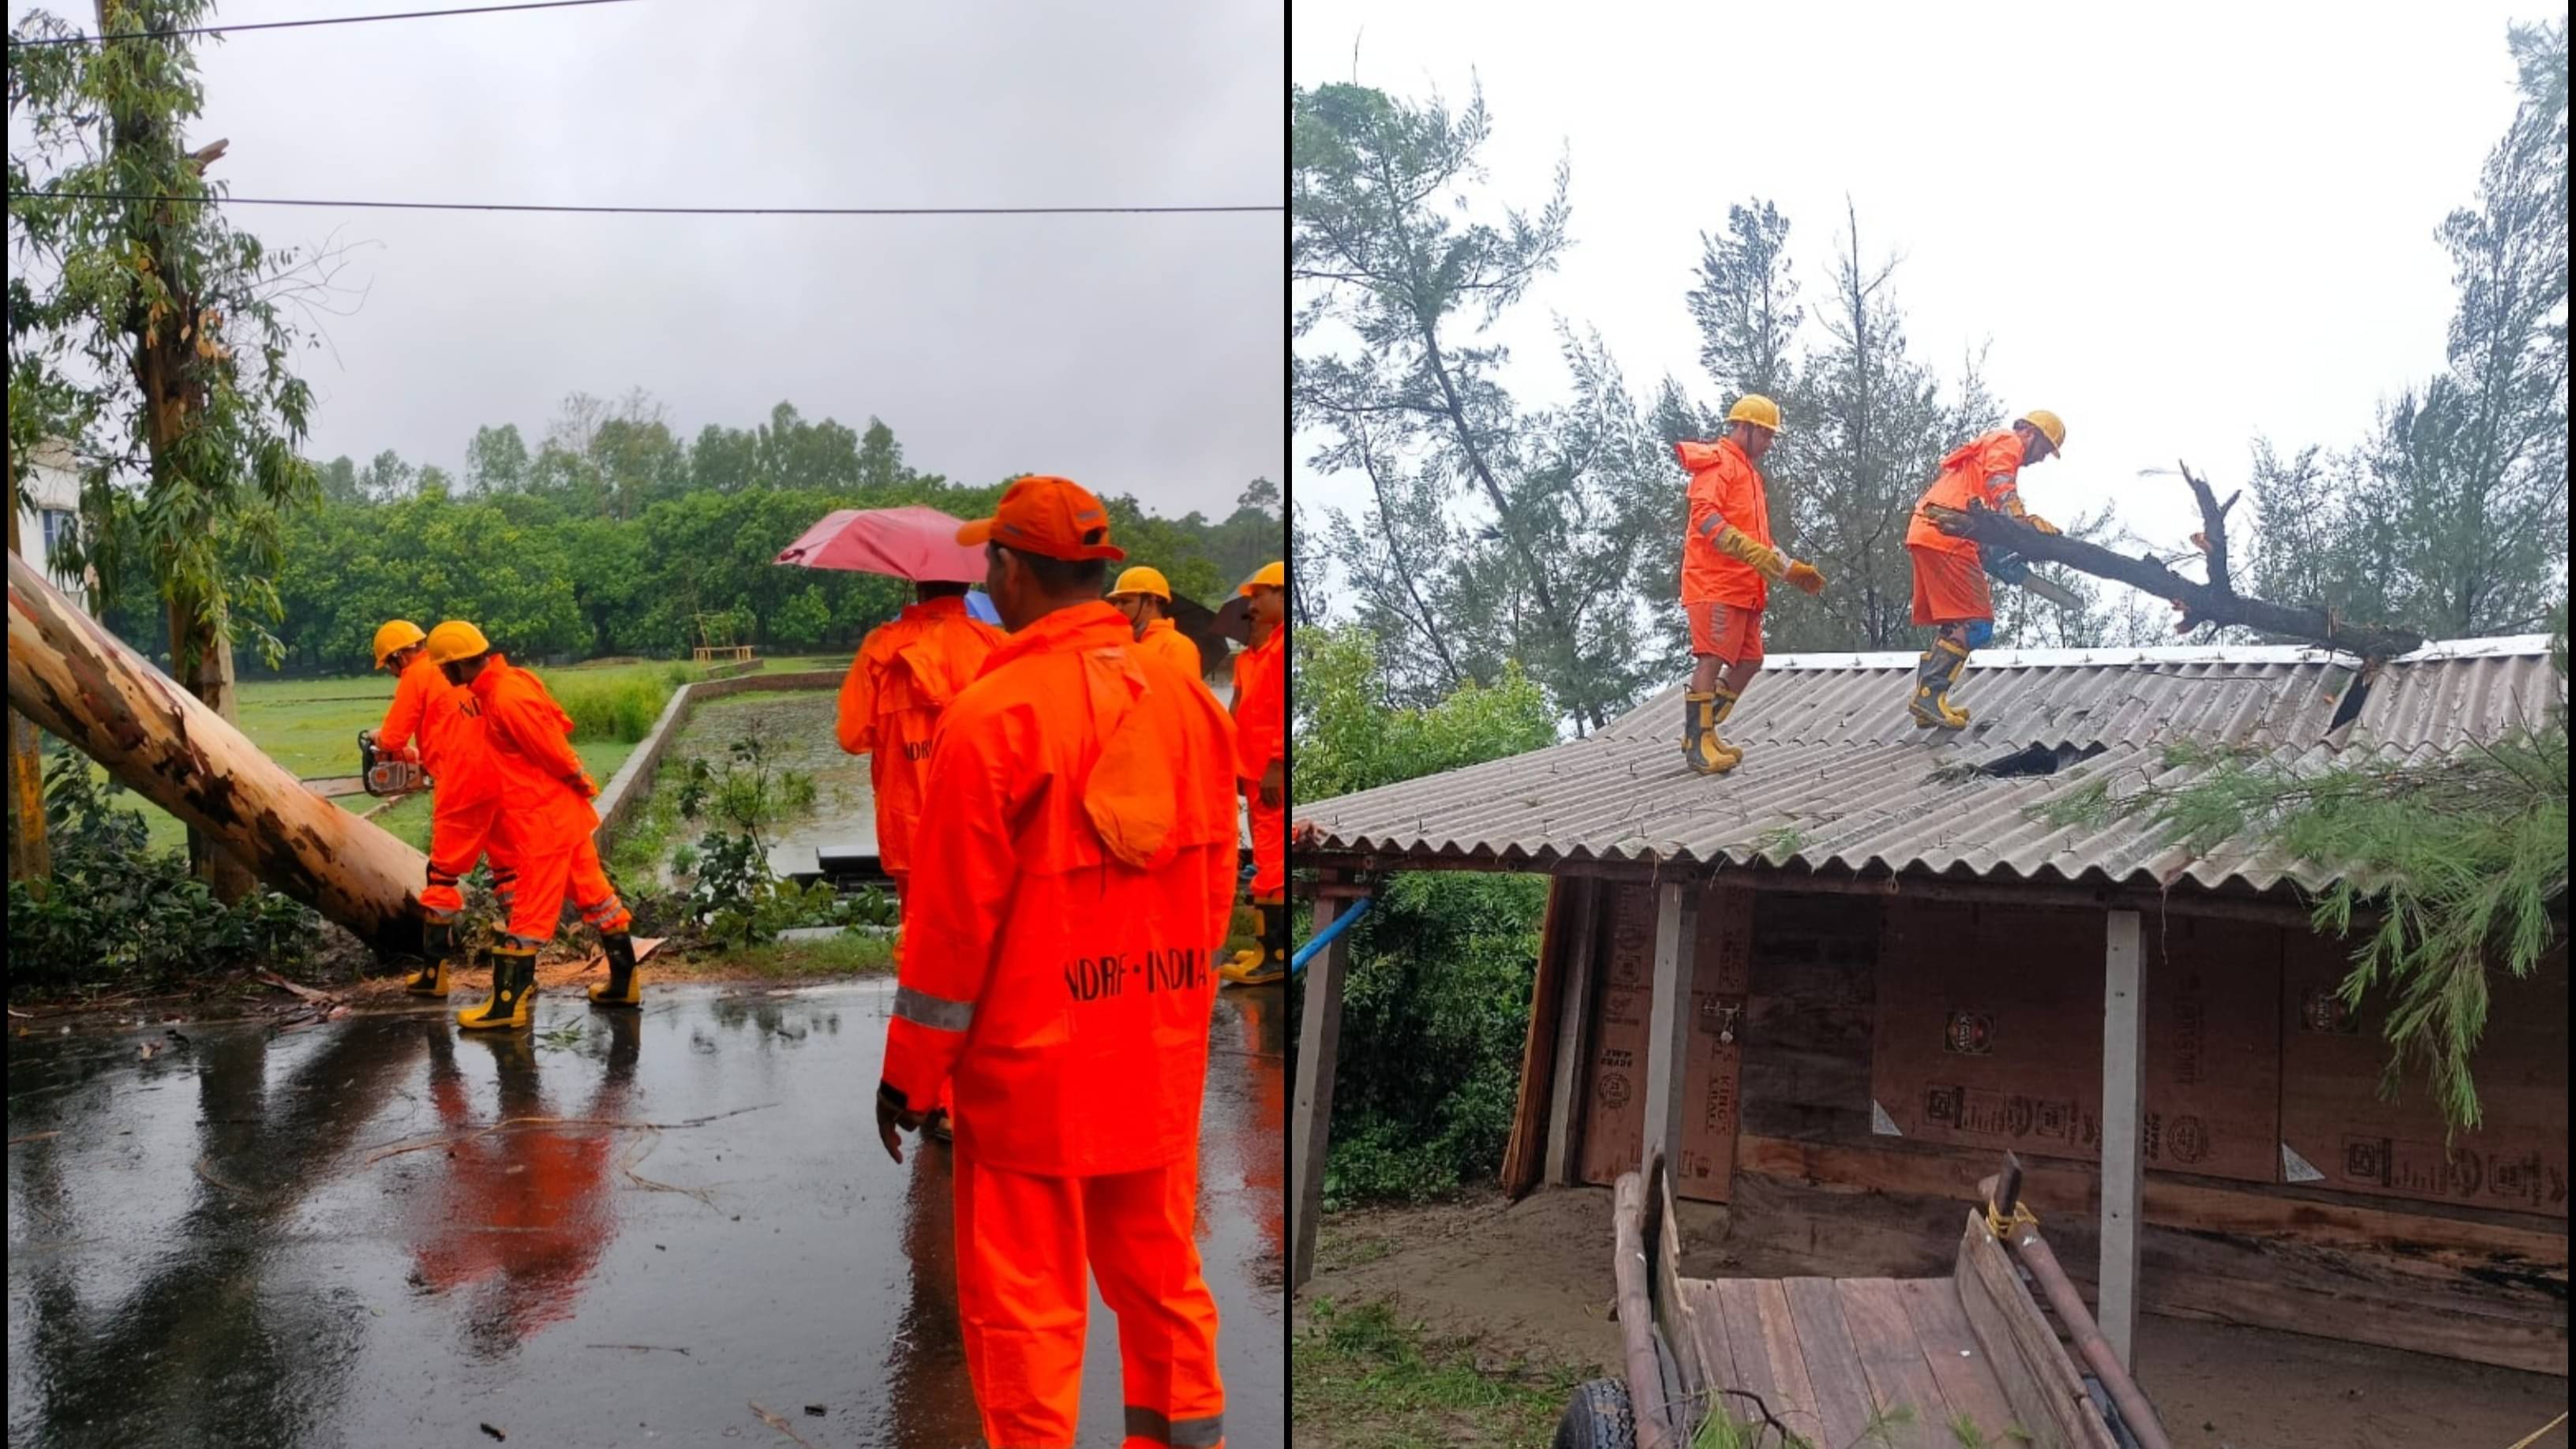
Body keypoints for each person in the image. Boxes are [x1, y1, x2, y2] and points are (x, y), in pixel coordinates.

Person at [875, 474, 1238, 1449]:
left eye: (989, 557)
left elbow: (950, 935)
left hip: (1031, 1074)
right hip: (1153, 1056)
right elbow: (1214, 893)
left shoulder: (992, 719)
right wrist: (1176, 1022)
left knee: (1028, 1313)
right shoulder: (1193, 704)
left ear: (1008, 568)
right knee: (1164, 1278)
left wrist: (909, 1078)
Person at [834, 577, 1005, 1140]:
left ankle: (935, 1094)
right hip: (988, 823)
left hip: (914, 827)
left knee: (928, 958)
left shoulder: (883, 648)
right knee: (994, 952)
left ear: (914, 580)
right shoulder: (994, 646)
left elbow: (852, 735)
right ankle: (987, 1091)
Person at [422, 621, 639, 1029]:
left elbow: (553, 748)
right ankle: (624, 984)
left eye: (444, 669)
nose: (443, 678)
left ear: (456, 666)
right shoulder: (501, 687)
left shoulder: (506, 696)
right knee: (597, 897)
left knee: (528, 914)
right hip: (559, 817)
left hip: (544, 821)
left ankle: (507, 1007)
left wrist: (580, 780)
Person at [1676, 396, 1826, 776]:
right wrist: (1745, 549)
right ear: (1745, 427)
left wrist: (1790, 570)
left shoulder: (1750, 475)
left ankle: (1707, 730)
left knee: (1750, 660)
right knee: (1711, 659)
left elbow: (1758, 539)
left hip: (1744, 586)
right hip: (1715, 583)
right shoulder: (1717, 463)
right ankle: (1697, 743)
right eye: (1766, 434)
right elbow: (1706, 520)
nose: (1770, 443)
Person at [372, 620, 516, 996]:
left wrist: (377, 739)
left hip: (460, 782)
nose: (391, 672)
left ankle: (435, 975)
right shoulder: (453, 669)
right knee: (507, 872)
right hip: (496, 775)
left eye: (389, 665)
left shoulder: (417, 675)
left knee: (441, 878)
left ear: (400, 656)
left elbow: (393, 737)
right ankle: (520, 968)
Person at [1902, 410, 2066, 728]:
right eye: (2044, 449)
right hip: (1946, 536)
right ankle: (1928, 697)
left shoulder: (1981, 457)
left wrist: (1995, 551)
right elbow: (2001, 480)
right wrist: (2022, 521)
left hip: (1930, 531)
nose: (2042, 458)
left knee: (1956, 623)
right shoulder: (2007, 441)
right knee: (1977, 624)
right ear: (2030, 433)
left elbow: (1982, 512)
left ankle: (1927, 701)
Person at [1221, 561, 1286, 985]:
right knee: (1264, 856)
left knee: (1275, 860)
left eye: (1260, 596)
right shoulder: (1248, 659)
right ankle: (1267, 946)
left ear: (1282, 595)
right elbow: (1239, 710)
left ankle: (1276, 954)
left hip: (1272, 773)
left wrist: (1278, 766)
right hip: (1251, 770)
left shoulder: (1282, 650)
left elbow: (1281, 712)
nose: (1253, 608)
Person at [1107, 565, 1208, 681]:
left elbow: (1184, 697)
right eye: (1117, 601)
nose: (1117, 607)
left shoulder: (1177, 646)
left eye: (1125, 601)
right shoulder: (1123, 642)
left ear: (1149, 603)